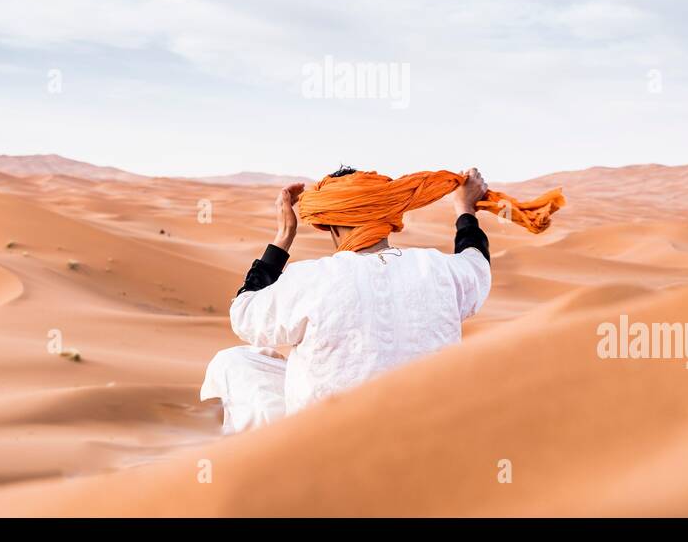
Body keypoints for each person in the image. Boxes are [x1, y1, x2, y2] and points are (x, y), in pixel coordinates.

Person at [200, 166, 517, 434]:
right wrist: (465, 210)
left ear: (331, 225)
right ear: (387, 215)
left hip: (326, 438)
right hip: (430, 432)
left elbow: (243, 315)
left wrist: (283, 237)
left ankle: (245, 467)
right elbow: (476, 262)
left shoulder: (311, 278)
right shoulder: (440, 269)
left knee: (234, 363)